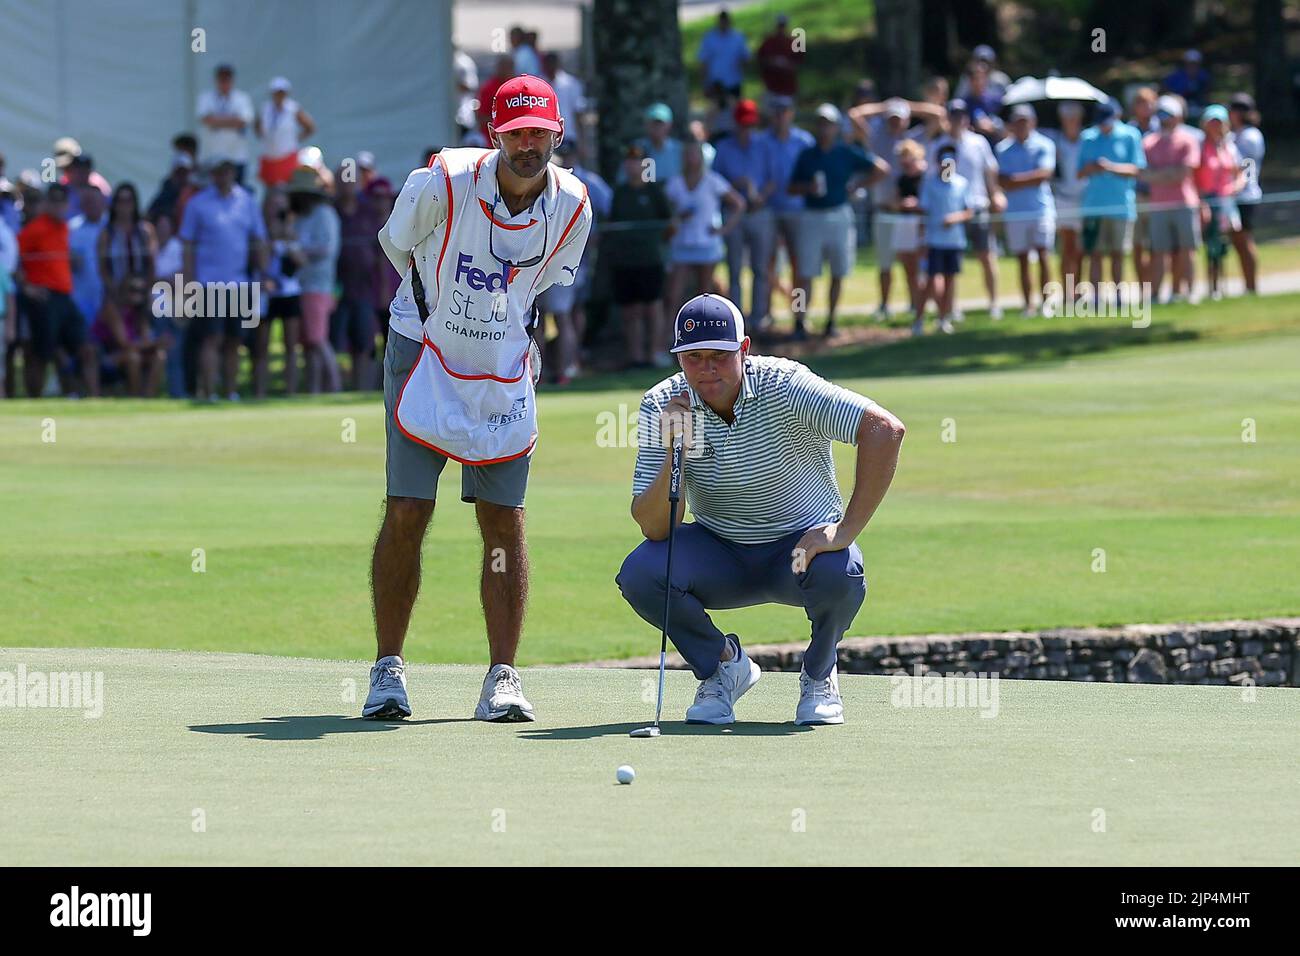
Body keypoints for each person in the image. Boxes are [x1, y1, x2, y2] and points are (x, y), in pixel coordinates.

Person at [366, 75, 592, 723]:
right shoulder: (440, 182)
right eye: (515, 132)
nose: (528, 144)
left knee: (504, 517)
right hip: (422, 350)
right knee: (408, 507)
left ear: (557, 134)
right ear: (494, 135)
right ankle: (387, 671)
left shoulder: (574, 204)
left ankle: (502, 677)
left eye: (539, 132)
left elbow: (542, 282)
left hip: (503, 360)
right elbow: (397, 245)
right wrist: (443, 310)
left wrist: (490, 321)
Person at [616, 293, 905, 725]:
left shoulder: (786, 385)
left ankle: (819, 674)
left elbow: (883, 429)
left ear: (744, 349)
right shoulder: (664, 403)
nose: (706, 369)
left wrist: (844, 530)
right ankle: (723, 668)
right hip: (720, 553)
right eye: (693, 358)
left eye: (719, 355)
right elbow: (657, 528)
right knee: (642, 573)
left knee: (841, 571)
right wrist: (673, 448)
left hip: (796, 551)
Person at [788, 104, 887, 339]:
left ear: (836, 127)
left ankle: (831, 320)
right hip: (812, 215)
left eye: (828, 124)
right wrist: (808, 188)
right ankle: (799, 322)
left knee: (838, 271)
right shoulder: (807, 155)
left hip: (839, 214)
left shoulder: (845, 152)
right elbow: (791, 187)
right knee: (804, 274)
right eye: (820, 123)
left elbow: (881, 169)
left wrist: (857, 186)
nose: (824, 129)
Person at [848, 97, 943, 321]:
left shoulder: (915, 139)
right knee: (885, 264)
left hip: (909, 214)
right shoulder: (876, 139)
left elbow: (939, 115)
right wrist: (885, 107)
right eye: (891, 119)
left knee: (912, 265)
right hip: (884, 210)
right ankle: (884, 305)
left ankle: (915, 304)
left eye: (899, 119)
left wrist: (908, 105)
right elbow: (855, 115)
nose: (895, 123)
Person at [179, 158, 267, 401]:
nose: (224, 176)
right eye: (219, 171)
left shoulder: (247, 202)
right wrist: (188, 282)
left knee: (234, 340)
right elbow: (187, 245)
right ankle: (209, 392)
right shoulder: (198, 204)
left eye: (228, 171)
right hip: (208, 284)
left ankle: (230, 391)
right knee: (211, 339)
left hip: (239, 283)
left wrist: (263, 272)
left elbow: (258, 239)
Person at [536, 139, 610, 383]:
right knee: (547, 317)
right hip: (547, 262)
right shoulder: (548, 186)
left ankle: (565, 367)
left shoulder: (575, 186)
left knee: (562, 316)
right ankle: (543, 369)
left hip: (567, 261)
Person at [926, 99, 1004, 319]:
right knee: (951, 262)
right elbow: (935, 179)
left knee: (986, 255)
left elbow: (990, 172)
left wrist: (995, 193)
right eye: (954, 116)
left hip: (977, 206)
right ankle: (951, 307)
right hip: (950, 212)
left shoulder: (978, 143)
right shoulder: (939, 145)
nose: (958, 120)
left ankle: (994, 303)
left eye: (962, 116)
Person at [16, 184, 95, 397]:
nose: (59, 206)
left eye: (63, 201)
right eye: (54, 201)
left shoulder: (64, 228)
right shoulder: (35, 229)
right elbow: (14, 262)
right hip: (44, 298)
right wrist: (27, 287)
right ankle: (35, 401)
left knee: (84, 347)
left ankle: (91, 398)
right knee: (42, 353)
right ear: (47, 203)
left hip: (65, 297)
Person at [664, 141, 745, 345]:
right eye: (687, 154)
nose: (691, 158)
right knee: (674, 294)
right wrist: (676, 218)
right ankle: (671, 339)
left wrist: (724, 229)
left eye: (695, 154)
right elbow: (666, 212)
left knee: (704, 295)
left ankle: (704, 339)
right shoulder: (674, 183)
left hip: (707, 245)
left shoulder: (713, 181)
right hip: (682, 245)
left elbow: (738, 204)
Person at [712, 99, 778, 334]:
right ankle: (737, 320)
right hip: (734, 214)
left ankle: (759, 317)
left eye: (749, 124)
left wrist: (761, 196)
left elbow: (773, 180)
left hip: (760, 212)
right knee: (735, 268)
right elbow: (716, 182)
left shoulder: (764, 145)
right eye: (742, 125)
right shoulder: (724, 148)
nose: (746, 130)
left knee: (760, 268)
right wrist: (735, 186)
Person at [608, 144, 674, 369]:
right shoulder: (620, 192)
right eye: (629, 161)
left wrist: (656, 244)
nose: (632, 165)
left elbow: (669, 223)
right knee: (630, 310)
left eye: (637, 161)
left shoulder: (654, 191)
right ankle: (634, 357)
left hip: (650, 259)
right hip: (625, 260)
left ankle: (655, 353)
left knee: (653, 307)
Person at [1078, 100, 1145, 303]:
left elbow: (1136, 169)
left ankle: (1118, 297)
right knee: (1095, 253)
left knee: (1118, 254)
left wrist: (1110, 167)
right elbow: (1079, 172)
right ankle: (1097, 298)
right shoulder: (1087, 137)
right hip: (1093, 206)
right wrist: (1093, 168)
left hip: (1121, 206)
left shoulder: (1130, 135)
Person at [997, 104, 1056, 316]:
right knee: (1022, 259)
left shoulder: (1044, 144)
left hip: (1040, 209)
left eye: (1025, 121)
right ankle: (1028, 305)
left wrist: (1016, 180)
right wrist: (1026, 178)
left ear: (1033, 122)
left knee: (1043, 255)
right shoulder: (1003, 148)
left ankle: (1047, 303)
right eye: (1017, 122)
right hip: (1015, 211)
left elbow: (1044, 174)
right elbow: (1003, 181)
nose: (1021, 125)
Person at [1142, 95, 1201, 303]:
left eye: (1167, 115)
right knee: (1159, 252)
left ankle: (1189, 292)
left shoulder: (1188, 139)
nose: (1163, 119)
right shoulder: (1149, 141)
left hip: (1184, 203)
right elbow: (1144, 173)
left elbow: (1183, 173)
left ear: (1177, 117)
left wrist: (1160, 175)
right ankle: (1157, 295)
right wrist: (1168, 174)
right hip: (1158, 205)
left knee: (1187, 250)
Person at [287, 168, 341, 393]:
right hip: (302, 283)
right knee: (309, 342)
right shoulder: (301, 217)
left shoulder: (324, 214)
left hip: (318, 284)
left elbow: (326, 248)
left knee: (318, 339)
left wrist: (299, 252)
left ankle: (335, 386)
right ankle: (314, 388)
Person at [762, 95, 815, 320]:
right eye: (776, 112)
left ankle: (799, 316)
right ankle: (766, 314)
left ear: (791, 114)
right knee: (766, 264)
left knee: (799, 266)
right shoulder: (761, 141)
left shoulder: (804, 141)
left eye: (785, 112)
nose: (780, 116)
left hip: (798, 210)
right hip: (769, 210)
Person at [916, 144, 973, 335]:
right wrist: (921, 240)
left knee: (950, 281)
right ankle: (919, 319)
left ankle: (943, 318)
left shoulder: (962, 183)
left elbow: (968, 211)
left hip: (954, 241)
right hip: (934, 240)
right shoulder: (930, 183)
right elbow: (923, 213)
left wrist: (955, 218)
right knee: (930, 281)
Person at [255, 189, 304, 397]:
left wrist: (288, 241)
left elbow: (302, 261)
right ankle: (259, 392)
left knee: (291, 346)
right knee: (261, 346)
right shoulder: (260, 232)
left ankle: (290, 391)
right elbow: (262, 264)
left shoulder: (292, 232)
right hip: (267, 294)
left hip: (289, 293)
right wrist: (272, 240)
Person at [333, 169, 379, 392]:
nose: (346, 185)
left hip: (364, 288)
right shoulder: (331, 211)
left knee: (364, 343)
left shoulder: (367, 211)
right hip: (336, 289)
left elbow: (379, 252)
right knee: (335, 344)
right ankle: (334, 390)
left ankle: (361, 390)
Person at [1195, 105, 1244, 301]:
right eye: (1212, 122)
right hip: (1207, 201)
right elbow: (1194, 177)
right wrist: (1201, 202)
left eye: (1219, 122)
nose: (1215, 126)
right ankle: (1211, 287)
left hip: (1225, 202)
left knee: (1223, 246)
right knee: (1211, 246)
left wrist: (1235, 187)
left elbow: (1239, 173)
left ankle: (1222, 286)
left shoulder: (1229, 146)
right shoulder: (1200, 146)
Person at [1044, 102, 1086, 289]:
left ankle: (1077, 288)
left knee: (1080, 249)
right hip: (1063, 197)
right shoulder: (1054, 141)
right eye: (1067, 118)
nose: (1071, 122)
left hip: (1084, 198)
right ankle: (1067, 291)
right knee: (1067, 247)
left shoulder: (1087, 139)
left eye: (1074, 118)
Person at [1227, 93, 1263, 294]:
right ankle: (1248, 286)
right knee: (1238, 241)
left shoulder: (1250, 136)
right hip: (1234, 196)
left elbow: (1246, 167)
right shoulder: (1237, 134)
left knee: (1244, 240)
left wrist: (1237, 186)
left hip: (1245, 195)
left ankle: (1251, 286)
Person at [197, 64, 255, 184]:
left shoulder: (242, 98)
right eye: (221, 78)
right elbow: (205, 119)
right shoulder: (206, 98)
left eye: (227, 78)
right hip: (211, 155)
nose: (224, 82)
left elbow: (243, 121)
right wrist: (232, 120)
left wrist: (217, 122)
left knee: (237, 192)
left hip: (236, 156)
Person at [256, 77, 316, 188]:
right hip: (269, 156)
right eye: (276, 93)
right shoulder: (265, 108)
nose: (279, 96)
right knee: (269, 189)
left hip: (287, 156)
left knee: (287, 188)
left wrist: (297, 138)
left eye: (281, 93)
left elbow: (310, 127)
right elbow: (257, 126)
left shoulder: (293, 109)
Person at [697, 9, 749, 104]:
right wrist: (704, 84)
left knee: (734, 112)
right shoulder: (709, 38)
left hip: (734, 81)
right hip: (716, 83)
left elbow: (745, 58)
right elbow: (704, 62)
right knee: (716, 112)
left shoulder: (738, 37)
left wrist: (742, 71)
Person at [756, 14, 804, 100]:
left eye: (783, 25)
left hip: (788, 87)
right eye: (780, 25)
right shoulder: (769, 42)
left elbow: (798, 62)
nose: (781, 28)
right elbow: (761, 60)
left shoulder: (793, 42)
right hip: (772, 86)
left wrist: (786, 64)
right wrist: (773, 62)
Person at [1162, 50, 1211, 118]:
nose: (1192, 66)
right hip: (1178, 107)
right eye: (1190, 63)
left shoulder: (1204, 76)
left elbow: (1206, 94)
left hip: (1199, 108)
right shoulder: (1175, 77)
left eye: (1195, 63)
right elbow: (1167, 91)